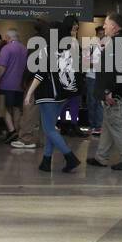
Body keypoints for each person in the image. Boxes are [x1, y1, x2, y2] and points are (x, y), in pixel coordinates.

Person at [25, 20, 81, 174]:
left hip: (47, 94)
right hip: (62, 95)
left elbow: (41, 74)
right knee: (51, 128)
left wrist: (29, 93)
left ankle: (70, 157)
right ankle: (46, 161)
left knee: (48, 128)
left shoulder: (49, 49)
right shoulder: (68, 50)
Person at [89, 12, 122, 171]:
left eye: (106, 24)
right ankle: (101, 157)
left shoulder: (118, 43)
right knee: (109, 123)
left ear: (114, 26)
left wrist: (108, 91)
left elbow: (113, 70)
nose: (103, 26)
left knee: (117, 124)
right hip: (120, 91)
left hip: (114, 94)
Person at [0, 27, 29, 144]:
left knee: (5, 108)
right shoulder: (25, 49)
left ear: (8, 38)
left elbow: (1, 67)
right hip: (20, 85)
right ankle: (17, 132)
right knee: (17, 109)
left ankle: (11, 131)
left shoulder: (6, 49)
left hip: (6, 84)